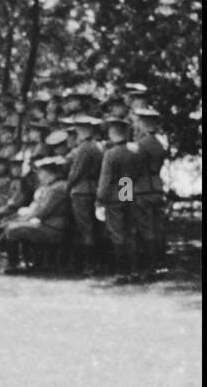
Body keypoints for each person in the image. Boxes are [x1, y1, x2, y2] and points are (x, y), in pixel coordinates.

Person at [2, 157, 72, 275]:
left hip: (53, 228)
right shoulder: (53, 187)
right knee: (13, 226)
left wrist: (25, 218)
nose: (39, 176)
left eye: (41, 172)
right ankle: (32, 262)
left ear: (50, 173)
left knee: (13, 230)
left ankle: (13, 265)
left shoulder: (57, 188)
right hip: (49, 224)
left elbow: (43, 211)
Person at [96, 118, 142, 283]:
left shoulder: (111, 153)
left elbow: (105, 180)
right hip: (127, 188)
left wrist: (99, 199)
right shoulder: (133, 152)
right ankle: (134, 271)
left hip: (114, 194)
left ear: (112, 133)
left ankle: (122, 273)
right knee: (130, 232)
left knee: (117, 233)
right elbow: (135, 175)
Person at [131, 106, 168, 278]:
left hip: (141, 189)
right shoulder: (160, 143)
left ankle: (149, 266)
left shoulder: (140, 145)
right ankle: (160, 264)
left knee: (145, 230)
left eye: (138, 121)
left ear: (143, 123)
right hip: (157, 187)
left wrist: (124, 195)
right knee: (157, 228)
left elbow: (130, 172)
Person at [66, 119, 104, 275]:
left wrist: (68, 186)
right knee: (94, 228)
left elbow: (76, 172)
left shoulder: (83, 149)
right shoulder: (98, 146)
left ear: (82, 132)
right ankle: (95, 263)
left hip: (81, 191)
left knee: (84, 229)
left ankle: (88, 265)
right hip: (94, 189)